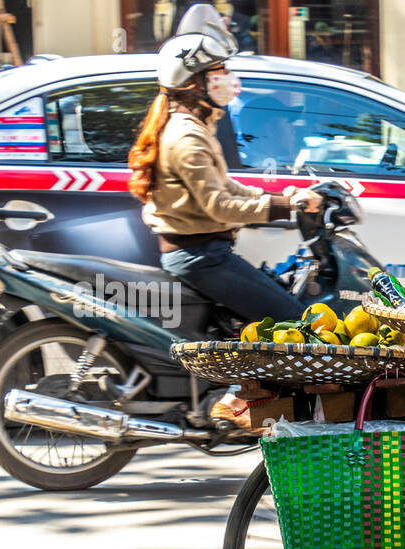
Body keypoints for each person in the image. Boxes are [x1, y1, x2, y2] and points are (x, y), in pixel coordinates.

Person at [129, 6, 319, 327]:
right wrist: (286, 206)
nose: (229, 81)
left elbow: (226, 186)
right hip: (202, 258)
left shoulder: (195, 127)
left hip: (207, 253)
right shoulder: (186, 135)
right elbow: (219, 206)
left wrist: (281, 198)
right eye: (218, 74)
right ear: (194, 84)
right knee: (295, 321)